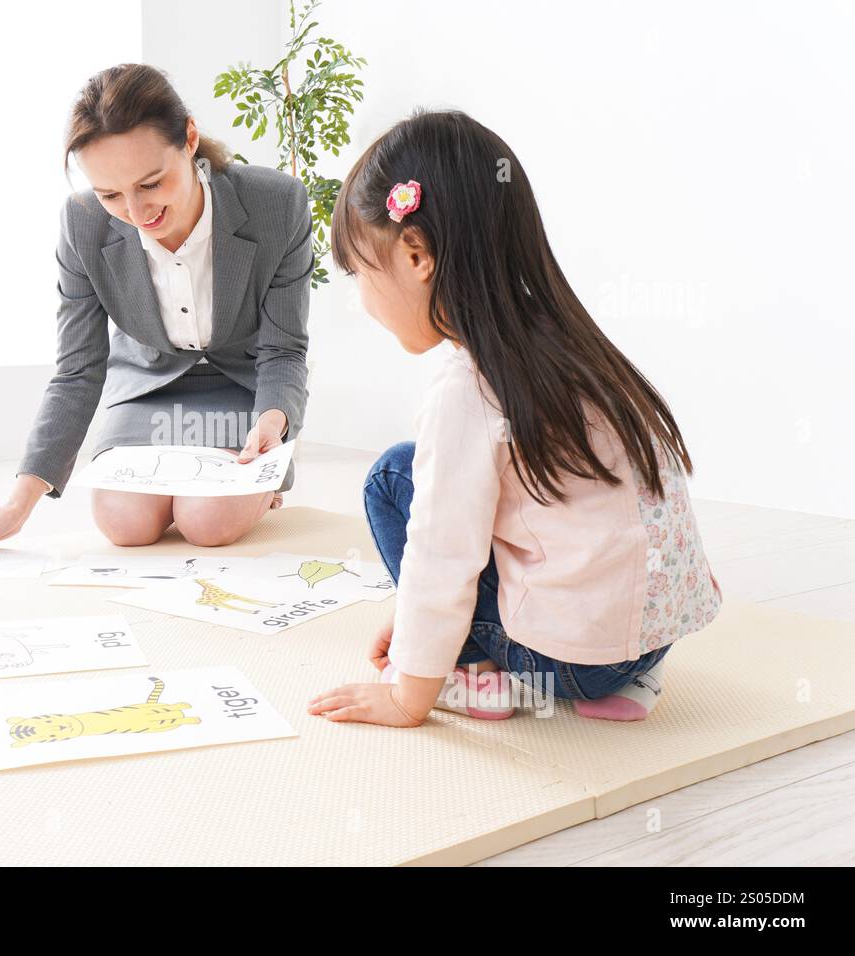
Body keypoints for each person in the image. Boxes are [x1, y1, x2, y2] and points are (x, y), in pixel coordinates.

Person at [307, 108, 723, 728]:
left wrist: (408, 692)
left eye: (361, 274)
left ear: (416, 254)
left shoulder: (467, 390)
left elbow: (442, 554)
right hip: (657, 632)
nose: (363, 299)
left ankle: (478, 673)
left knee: (393, 476)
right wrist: (414, 612)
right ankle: (633, 679)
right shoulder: (574, 343)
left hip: (565, 661)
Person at [0, 64, 312, 560]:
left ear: (189, 138)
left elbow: (283, 348)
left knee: (206, 523)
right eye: (110, 194)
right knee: (126, 525)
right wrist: (16, 506)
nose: (138, 214)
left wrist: (274, 419)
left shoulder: (277, 203)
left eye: (152, 184)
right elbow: (78, 371)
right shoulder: (82, 224)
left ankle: (260, 488)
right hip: (148, 389)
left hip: (242, 393)